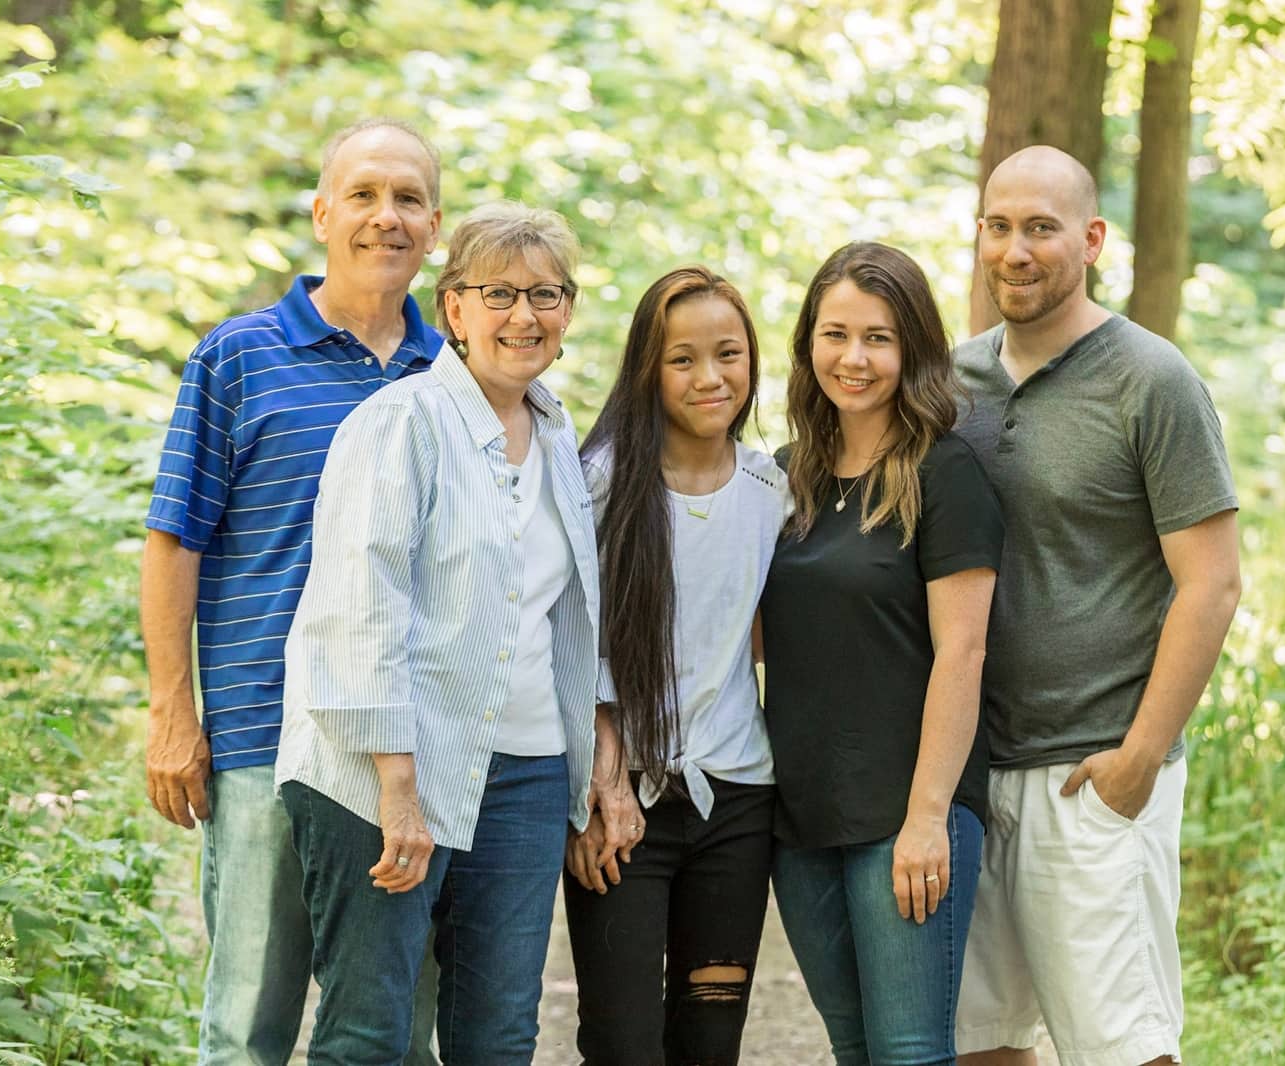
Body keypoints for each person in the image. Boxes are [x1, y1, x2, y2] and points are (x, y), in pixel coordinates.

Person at [141, 118, 444, 1064]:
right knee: (247, 1026)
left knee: (392, 1027)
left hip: (413, 752)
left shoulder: (457, 376)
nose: (384, 217)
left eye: (407, 199)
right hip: (263, 734)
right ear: (321, 214)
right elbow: (173, 540)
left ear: (435, 224)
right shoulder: (239, 357)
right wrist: (172, 714)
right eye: (362, 195)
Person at [273, 200, 600, 1064]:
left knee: (499, 1034)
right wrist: (397, 784)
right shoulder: (400, 423)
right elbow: (360, 609)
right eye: (498, 293)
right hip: (378, 772)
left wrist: (592, 762)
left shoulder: (560, 432)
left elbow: (567, 620)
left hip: (524, 771)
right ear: (453, 308)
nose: (524, 316)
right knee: (369, 1031)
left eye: (546, 294)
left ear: (568, 311)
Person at [952, 145, 1242, 1066]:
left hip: (1093, 772)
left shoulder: (1152, 381)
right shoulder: (949, 383)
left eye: (1041, 228)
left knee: (1124, 1048)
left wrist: (1140, 760)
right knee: (981, 1042)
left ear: (1092, 238)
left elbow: (1214, 582)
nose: (1016, 250)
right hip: (969, 772)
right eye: (999, 227)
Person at [760, 242, 1003, 1066]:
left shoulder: (946, 473)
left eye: (878, 338)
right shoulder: (784, 478)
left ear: (913, 351)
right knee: (854, 1048)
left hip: (906, 814)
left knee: (908, 1051)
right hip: (801, 816)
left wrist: (928, 817)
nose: (853, 359)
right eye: (835, 335)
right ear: (808, 345)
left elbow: (962, 654)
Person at [564, 266, 788, 1065]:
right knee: (622, 1044)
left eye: (728, 354)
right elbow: (569, 645)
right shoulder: (598, 483)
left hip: (737, 807)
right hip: (625, 807)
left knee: (709, 1037)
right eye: (682, 358)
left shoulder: (773, 493)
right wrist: (602, 781)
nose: (710, 377)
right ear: (648, 371)